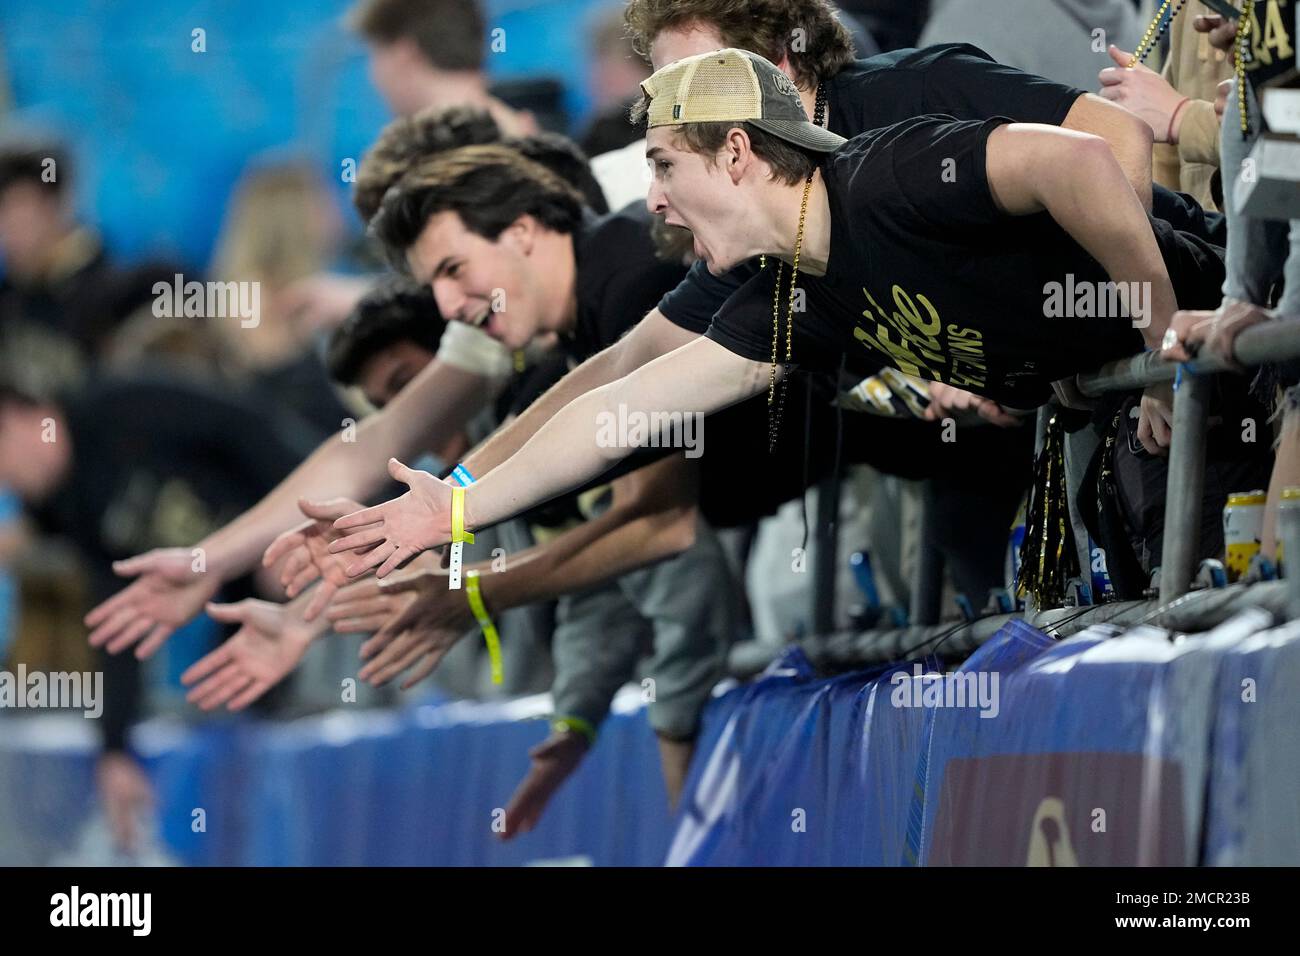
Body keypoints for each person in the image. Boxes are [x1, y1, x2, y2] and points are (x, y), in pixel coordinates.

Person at [325, 47, 1227, 572]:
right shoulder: (795, 295)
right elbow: (621, 411)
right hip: (1129, 410)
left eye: (666, 169)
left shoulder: (885, 178)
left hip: (1226, 356)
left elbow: (1080, 161)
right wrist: (459, 510)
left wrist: (1159, 343)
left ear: (738, 156)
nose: (659, 205)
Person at [0, 370, 308, 851]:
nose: (6, 481)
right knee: (239, 704)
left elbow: (245, 424)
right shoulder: (70, 506)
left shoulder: (121, 407)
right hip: (246, 596)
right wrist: (115, 749)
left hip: (313, 528)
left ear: (21, 419)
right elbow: (121, 621)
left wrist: (299, 522)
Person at [346, 0, 536, 135]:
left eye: (376, 55)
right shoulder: (526, 136)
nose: (374, 77)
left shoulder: (421, 167)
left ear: (403, 55)